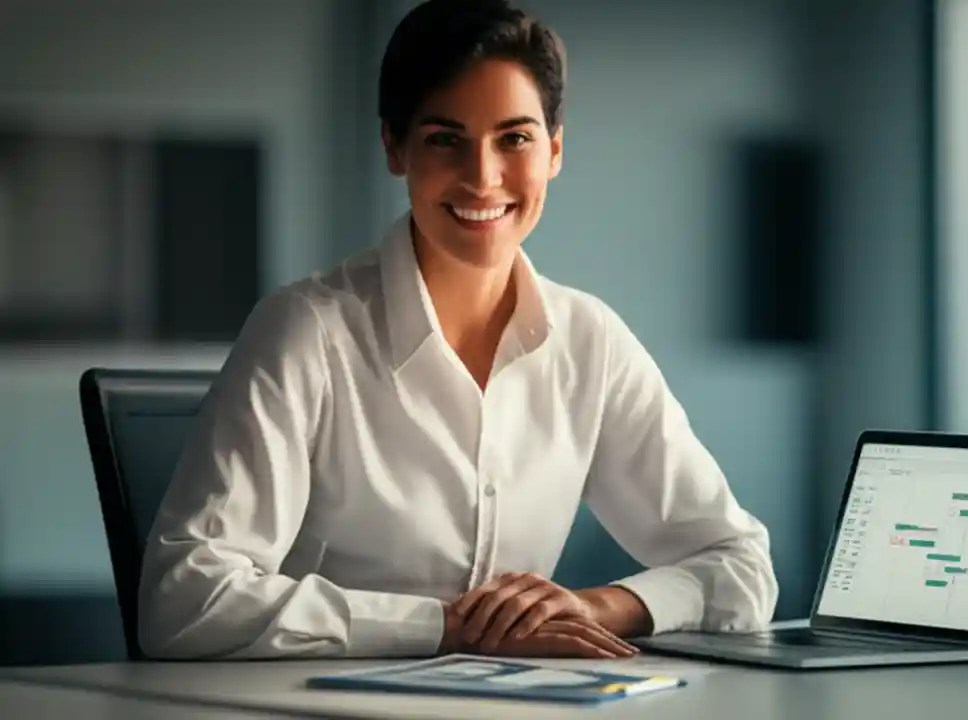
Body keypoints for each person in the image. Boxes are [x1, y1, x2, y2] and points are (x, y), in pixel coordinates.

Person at [138, 0, 777, 660]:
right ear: (394, 145)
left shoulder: (590, 340)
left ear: (554, 149)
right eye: (445, 138)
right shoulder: (306, 331)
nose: (483, 176)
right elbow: (185, 601)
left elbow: (741, 569)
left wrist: (590, 607)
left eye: (515, 138)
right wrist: (448, 626)